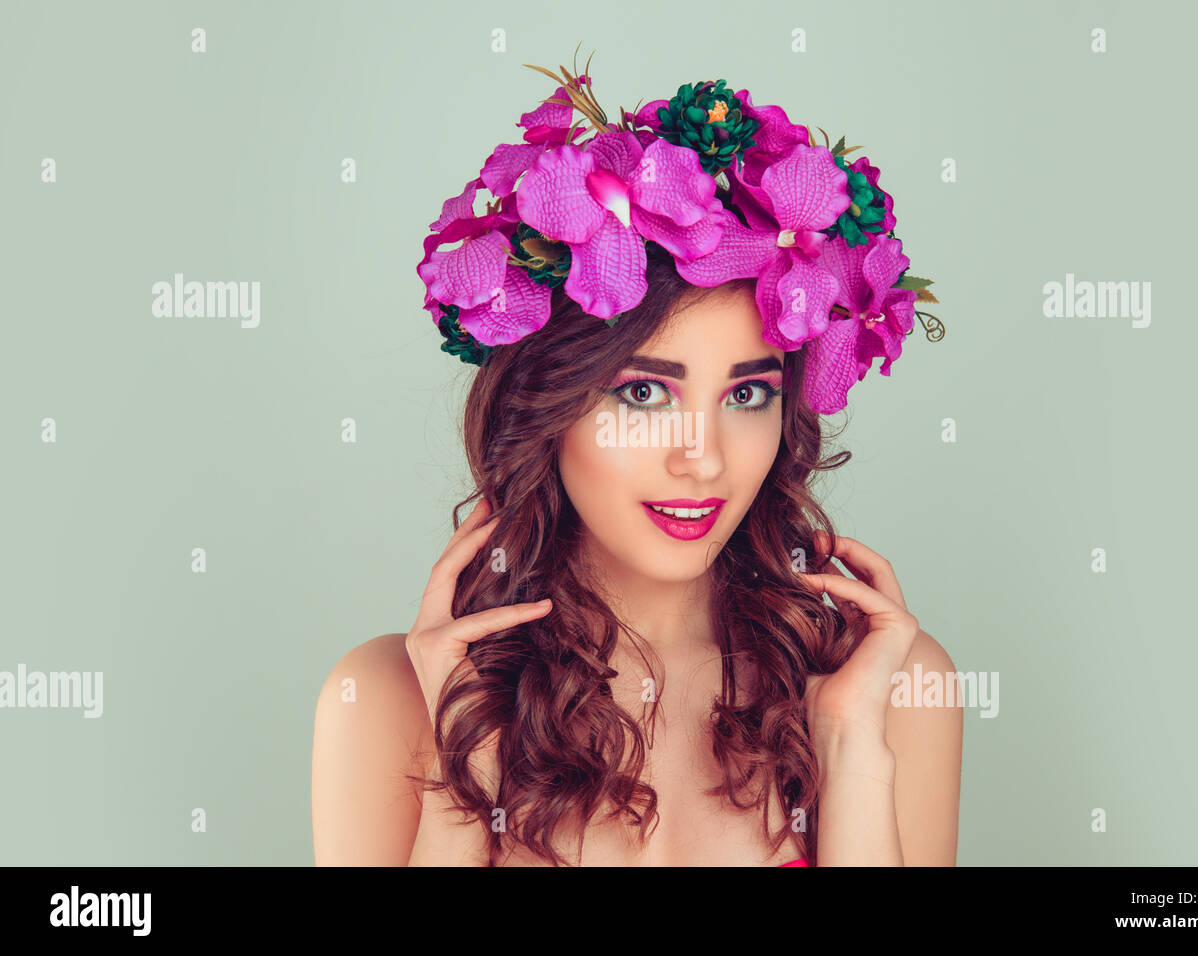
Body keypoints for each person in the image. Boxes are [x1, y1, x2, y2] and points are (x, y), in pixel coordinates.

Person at [312, 60, 961, 866]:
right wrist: (464, 783)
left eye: (748, 395)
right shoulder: (386, 699)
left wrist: (852, 747)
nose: (703, 460)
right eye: (645, 395)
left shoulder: (888, 684)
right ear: (546, 408)